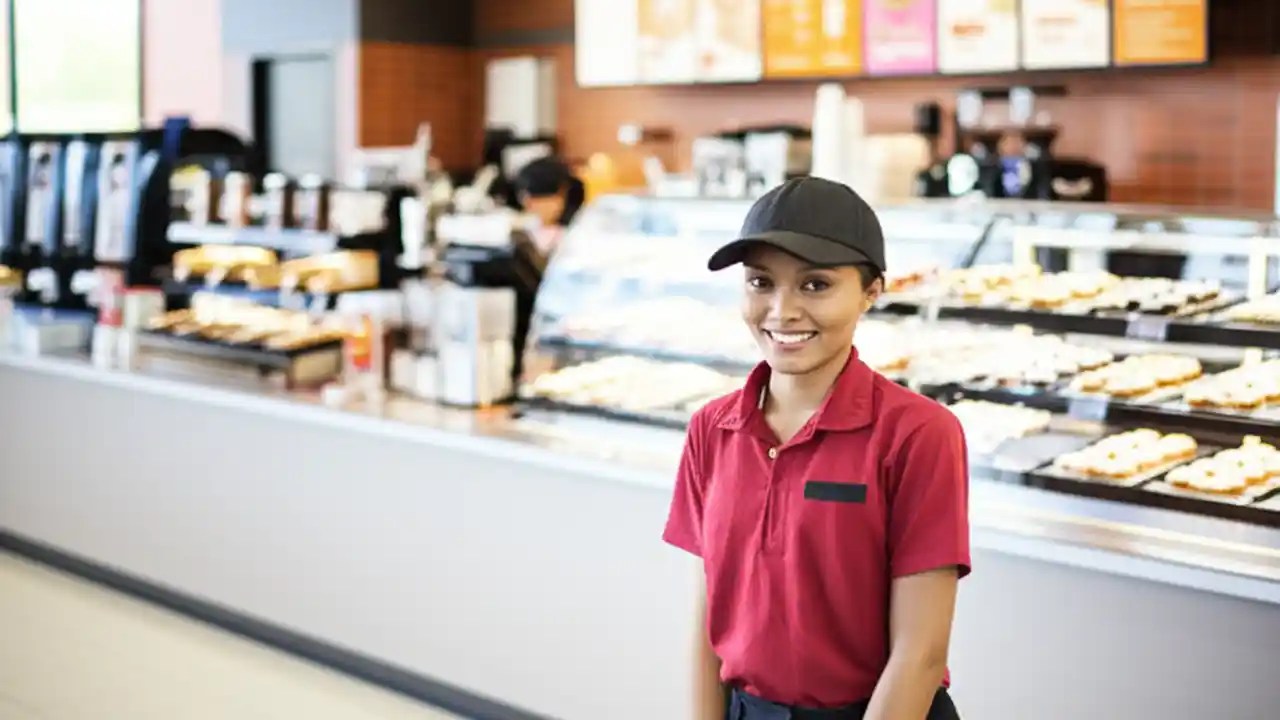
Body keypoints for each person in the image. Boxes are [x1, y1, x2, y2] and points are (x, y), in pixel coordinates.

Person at [664, 177, 970, 720]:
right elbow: (707, 616)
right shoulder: (712, 429)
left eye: (815, 285)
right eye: (761, 282)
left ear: (872, 291)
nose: (781, 311)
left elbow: (920, 654)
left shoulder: (919, 434)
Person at [514, 156, 585, 230]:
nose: (527, 206)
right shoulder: (536, 227)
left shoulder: (581, 231)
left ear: (562, 193)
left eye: (533, 198)